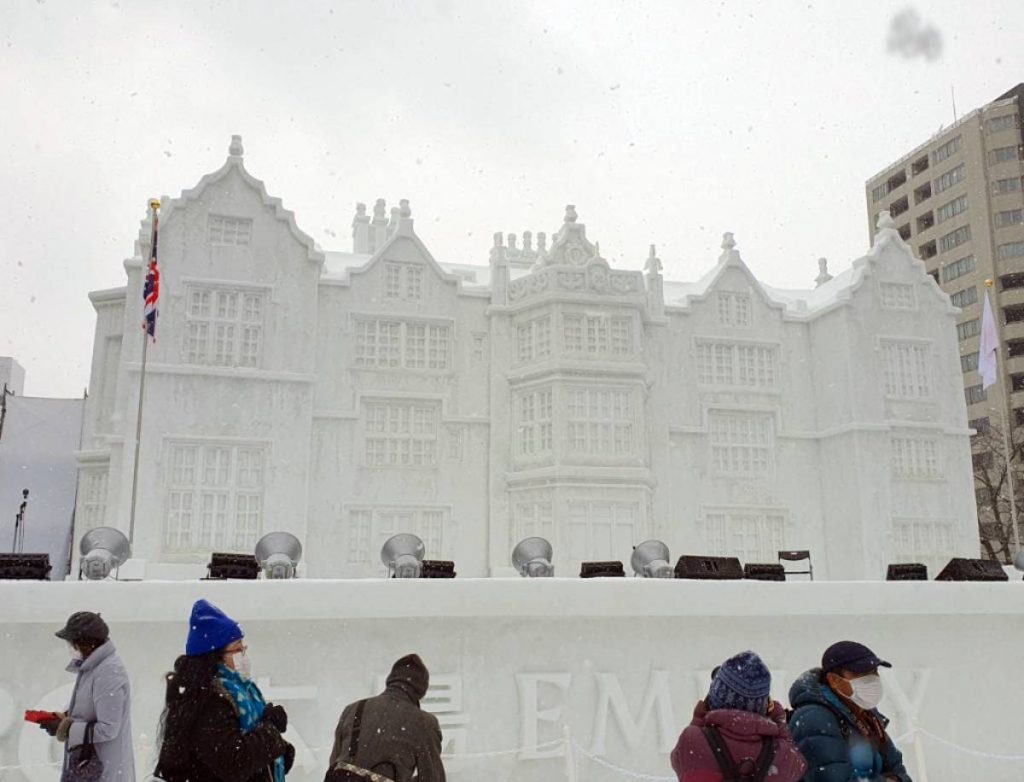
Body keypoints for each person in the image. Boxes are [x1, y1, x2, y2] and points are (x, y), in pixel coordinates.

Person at [154, 599, 294, 782]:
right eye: (237, 650)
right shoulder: (207, 700)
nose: (243, 656)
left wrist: (282, 752)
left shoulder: (238, 691)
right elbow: (234, 761)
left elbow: (250, 757)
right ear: (215, 657)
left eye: (244, 648)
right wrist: (270, 729)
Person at [671, 651, 806, 782]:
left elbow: (679, 759)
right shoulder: (781, 755)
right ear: (763, 706)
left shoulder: (692, 741)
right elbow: (798, 764)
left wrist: (700, 717)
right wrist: (779, 720)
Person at [788, 641, 912, 781]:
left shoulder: (866, 714)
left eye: (874, 672)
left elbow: (897, 768)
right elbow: (832, 778)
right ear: (834, 680)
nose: (872, 679)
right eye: (861, 673)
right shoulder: (813, 719)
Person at [38, 611, 135, 782]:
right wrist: (64, 718)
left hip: (103, 772)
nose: (70, 648)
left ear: (86, 643)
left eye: (72, 643)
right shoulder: (93, 667)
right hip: (90, 769)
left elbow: (108, 728)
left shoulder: (109, 672)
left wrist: (66, 728)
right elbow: (90, 710)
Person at [327, 654, 445, 782]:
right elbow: (433, 778)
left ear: (391, 680)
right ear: (421, 690)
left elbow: (334, 763)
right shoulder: (424, 723)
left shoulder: (354, 709)